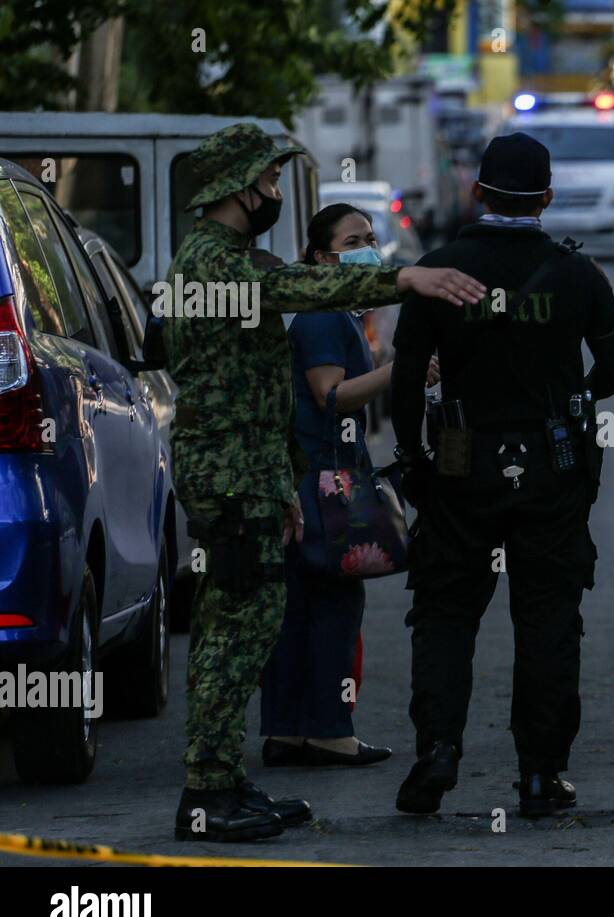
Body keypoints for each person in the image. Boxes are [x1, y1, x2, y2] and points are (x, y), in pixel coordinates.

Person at [165, 122, 485, 842]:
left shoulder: (222, 260)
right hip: (230, 475)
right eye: (271, 181)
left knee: (241, 627)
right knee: (231, 638)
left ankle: (221, 782)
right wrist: (403, 277)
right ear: (238, 186)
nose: (276, 193)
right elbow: (309, 287)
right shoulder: (217, 266)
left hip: (249, 473)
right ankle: (206, 796)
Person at [389, 132, 614, 818]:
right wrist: (570, 396)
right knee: (549, 617)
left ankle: (437, 751)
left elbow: (407, 380)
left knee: (443, 613)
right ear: (547, 199)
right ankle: (540, 774)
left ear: (477, 192)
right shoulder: (578, 274)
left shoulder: (439, 270)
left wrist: (414, 460)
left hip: (462, 464)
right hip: (552, 467)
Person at [259, 203, 437, 769]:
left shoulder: (334, 312)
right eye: (352, 240)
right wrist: (402, 368)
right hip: (324, 480)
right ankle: (330, 731)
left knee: (298, 608)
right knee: (336, 602)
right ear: (319, 255)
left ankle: (289, 731)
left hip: (310, 474)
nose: (366, 249)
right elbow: (330, 395)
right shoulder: (322, 315)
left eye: (369, 239)